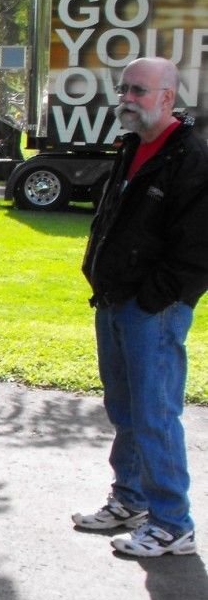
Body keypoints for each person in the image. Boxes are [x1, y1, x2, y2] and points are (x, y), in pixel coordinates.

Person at [72, 56, 208, 556]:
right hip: (114, 301)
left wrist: (154, 298)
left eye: (139, 91)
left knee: (155, 413)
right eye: (124, 89)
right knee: (125, 408)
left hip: (153, 309)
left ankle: (173, 524)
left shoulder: (191, 158)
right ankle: (130, 499)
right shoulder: (132, 147)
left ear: (167, 98)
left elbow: (197, 250)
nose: (126, 99)